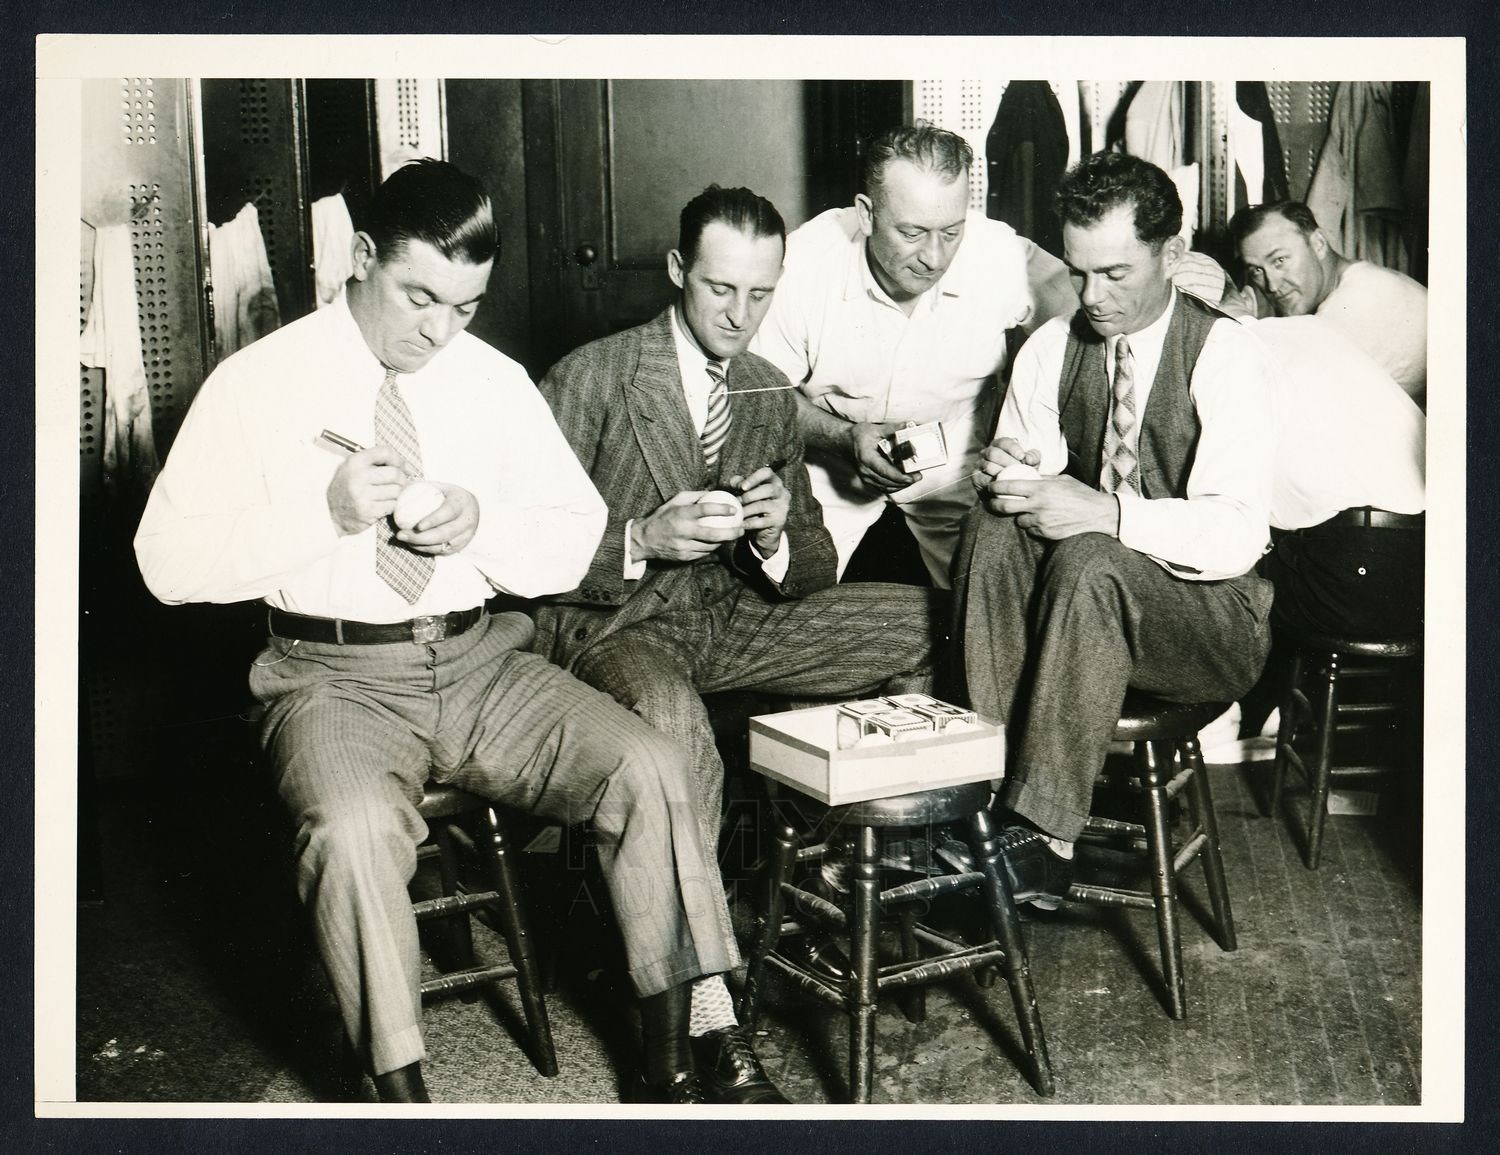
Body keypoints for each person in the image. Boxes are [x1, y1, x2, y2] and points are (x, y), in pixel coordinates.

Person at [134, 160, 741, 1105]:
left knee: (649, 765)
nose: (440, 330)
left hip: (480, 661)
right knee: (351, 832)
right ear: (361, 257)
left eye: (465, 306)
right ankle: (402, 1102)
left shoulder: (491, 381)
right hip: (332, 675)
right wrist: (324, 513)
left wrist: (481, 524)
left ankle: (672, 1072)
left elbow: (574, 535)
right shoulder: (256, 383)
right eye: (419, 297)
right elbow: (165, 563)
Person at [533, 185, 946, 1097]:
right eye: (721, 289)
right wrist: (641, 537)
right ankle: (706, 1011)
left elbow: (815, 564)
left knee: (926, 620)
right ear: (678, 270)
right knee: (671, 718)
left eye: (760, 294)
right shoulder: (591, 376)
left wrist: (772, 534)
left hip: (730, 617)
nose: (739, 314)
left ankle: (847, 878)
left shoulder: (764, 388)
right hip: (618, 623)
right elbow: (524, 553)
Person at [953, 152, 1279, 905]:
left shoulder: (1229, 354)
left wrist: (1109, 513)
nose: (1092, 297)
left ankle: (1045, 835)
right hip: (1083, 622)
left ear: (1171, 253)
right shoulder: (1052, 347)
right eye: (1078, 273)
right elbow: (1032, 473)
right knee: (992, 529)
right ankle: (988, 798)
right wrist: (1010, 473)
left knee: (1092, 559)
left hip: (1209, 624)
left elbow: (1237, 534)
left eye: (1115, 273)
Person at [751, 121, 1077, 587]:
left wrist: (1195, 285)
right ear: (866, 214)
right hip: (828, 466)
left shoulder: (999, 254)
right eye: (913, 232)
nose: (934, 258)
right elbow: (764, 395)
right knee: (784, 588)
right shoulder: (803, 262)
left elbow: (1095, 313)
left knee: (995, 601)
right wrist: (844, 437)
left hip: (957, 469)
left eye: (951, 232)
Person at [1249, 314, 1426, 637]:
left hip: (1359, 576)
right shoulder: (1314, 328)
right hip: (1432, 566)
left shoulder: (1238, 352)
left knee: (1221, 590)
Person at [1231, 200, 1427, 404]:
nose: (1271, 286)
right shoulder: (1361, 277)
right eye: (1257, 270)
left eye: (1280, 260)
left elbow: (1279, 402)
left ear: (1319, 244)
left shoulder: (1351, 305)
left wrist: (1242, 320)